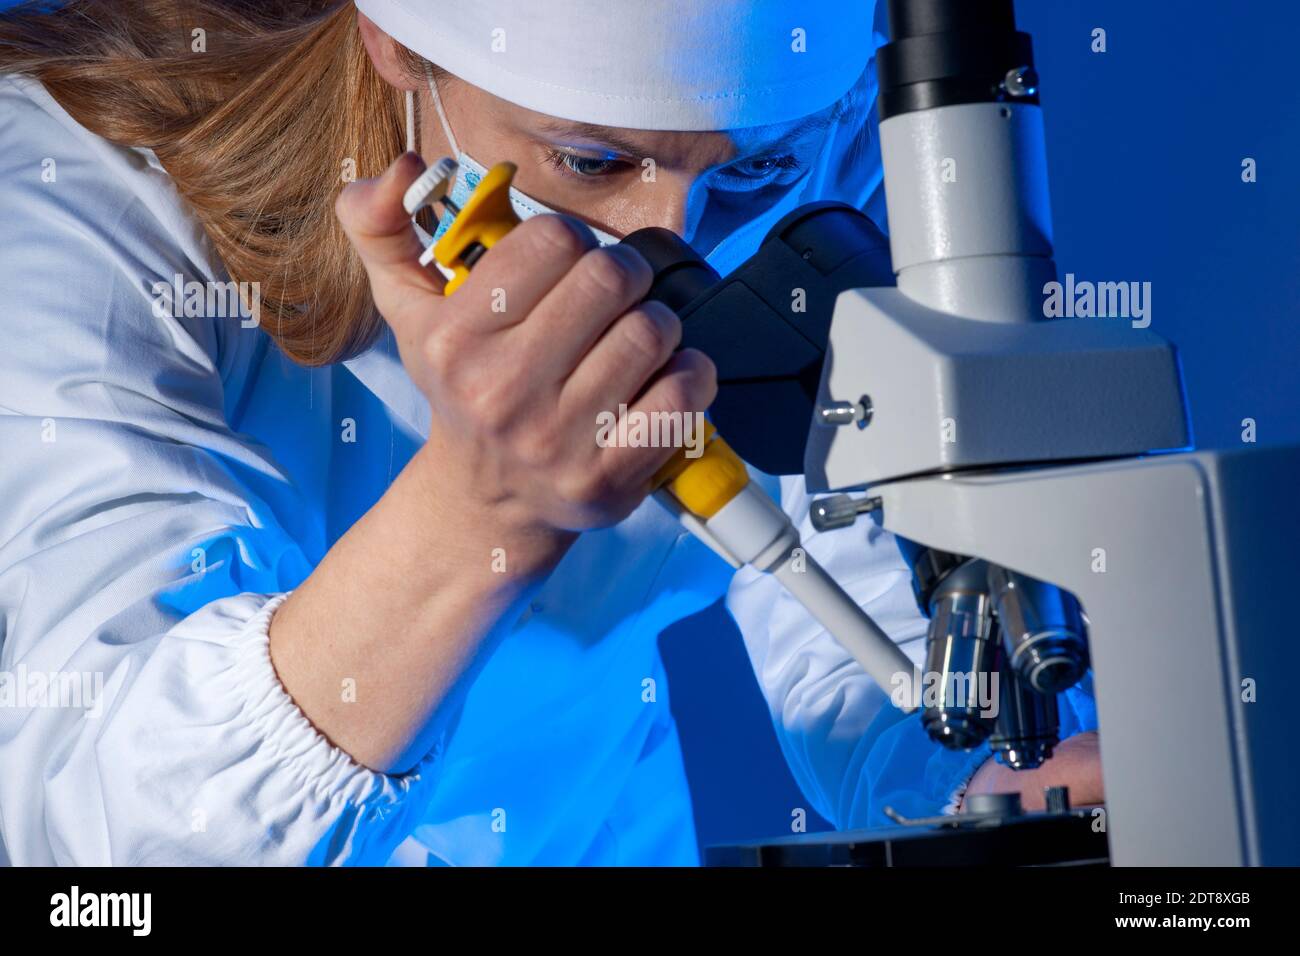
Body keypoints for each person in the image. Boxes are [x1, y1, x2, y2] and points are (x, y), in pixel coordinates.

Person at [0, 0, 1101, 866]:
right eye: (591, 160)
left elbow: (874, 592)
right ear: (395, 42)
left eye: (750, 173)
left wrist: (997, 785)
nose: (669, 243)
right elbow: (109, 842)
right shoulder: (77, 202)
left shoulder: (790, 140)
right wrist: (477, 512)